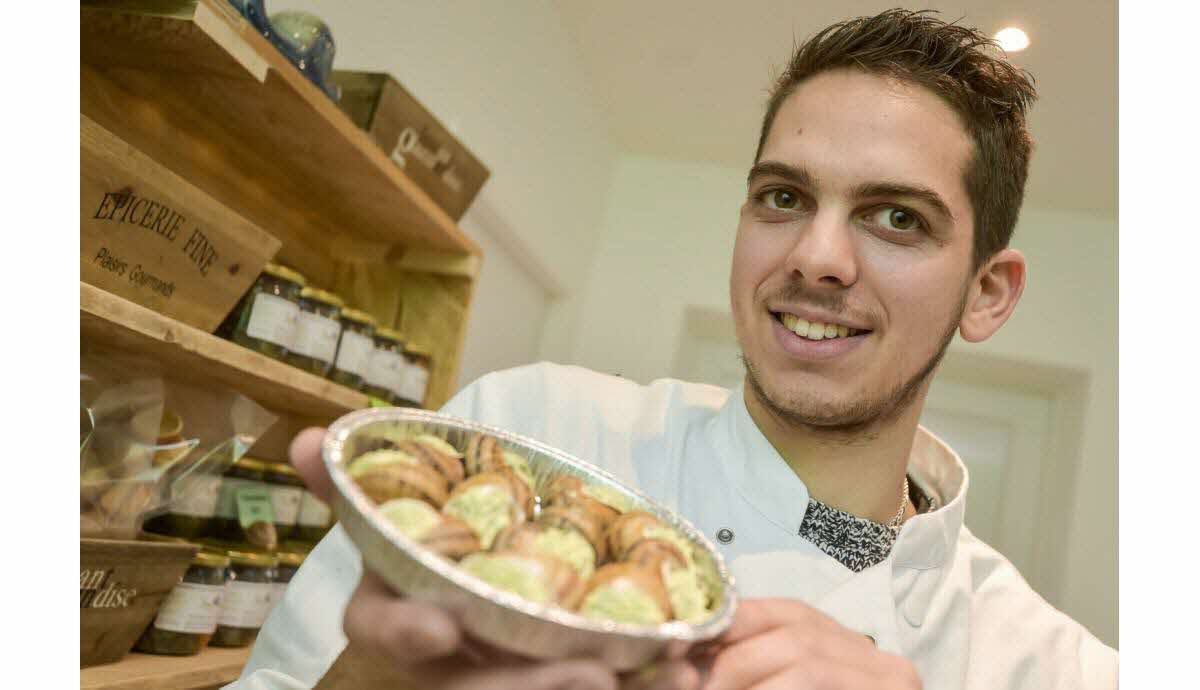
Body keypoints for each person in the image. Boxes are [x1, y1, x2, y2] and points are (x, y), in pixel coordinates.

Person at [231, 9, 1117, 690]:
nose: (816, 257)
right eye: (783, 198)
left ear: (987, 293)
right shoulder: (525, 434)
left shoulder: (1051, 665)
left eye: (897, 217)